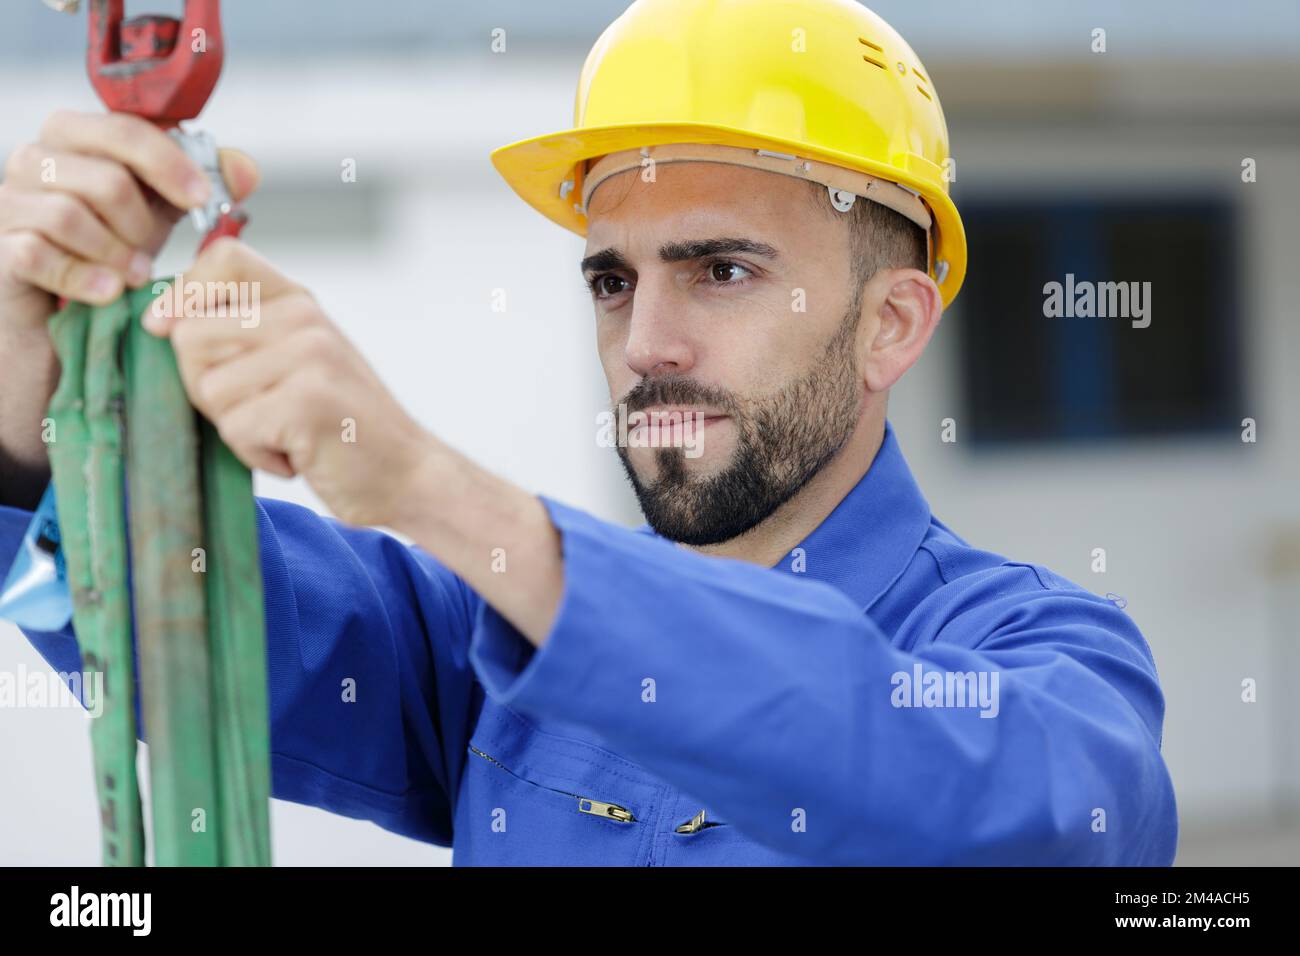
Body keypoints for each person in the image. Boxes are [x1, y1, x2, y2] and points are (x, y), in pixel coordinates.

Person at [0, 0, 1177, 864]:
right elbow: (176, 621)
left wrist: (421, 481)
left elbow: (1018, 813)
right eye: (611, 283)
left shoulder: (1048, 659)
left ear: (890, 324)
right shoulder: (480, 637)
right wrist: (24, 409)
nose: (645, 341)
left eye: (720, 269)